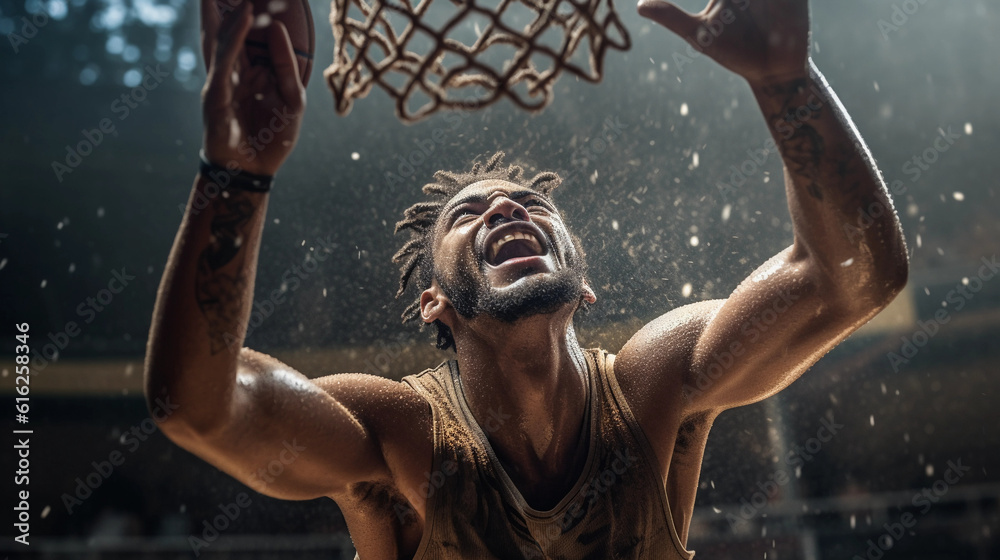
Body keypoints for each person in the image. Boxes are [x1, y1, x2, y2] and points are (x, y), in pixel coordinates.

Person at [143, 0, 909, 557]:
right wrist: (236, 176)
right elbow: (197, 408)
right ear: (433, 301)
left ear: (583, 285)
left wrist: (786, 80)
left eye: (532, 205)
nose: (508, 205)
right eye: (468, 215)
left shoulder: (652, 384)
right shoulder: (402, 435)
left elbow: (855, 279)